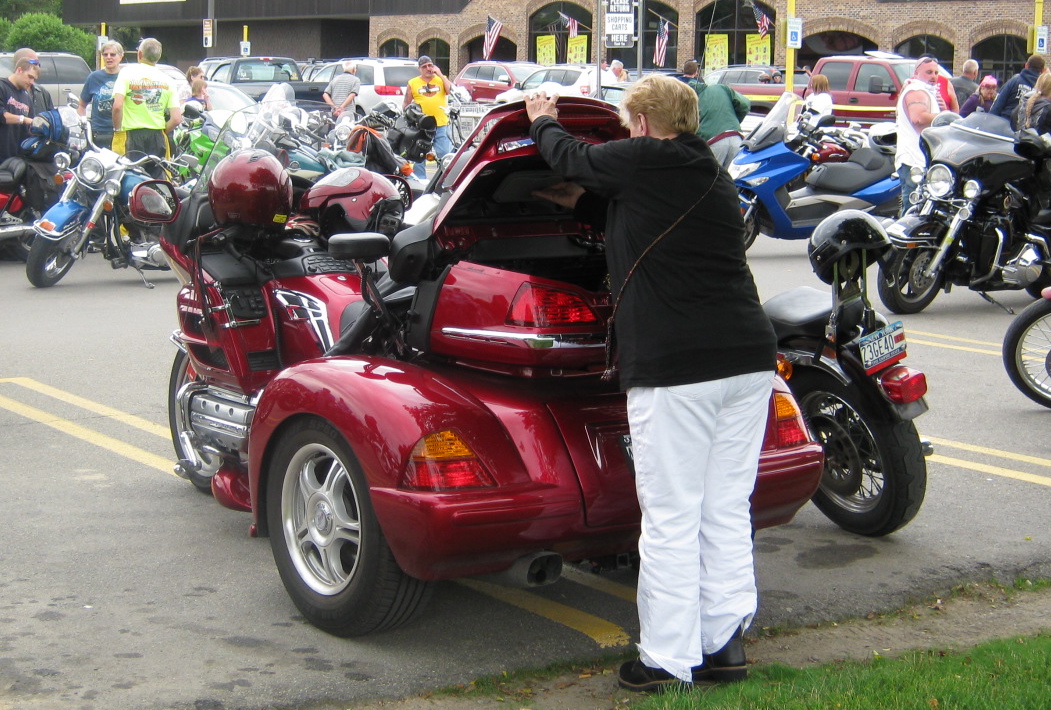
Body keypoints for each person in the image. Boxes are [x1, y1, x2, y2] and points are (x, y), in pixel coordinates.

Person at [524, 74, 777, 694]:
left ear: (639, 123)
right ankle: (725, 645)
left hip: (678, 368)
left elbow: (573, 157)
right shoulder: (703, 168)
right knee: (723, 507)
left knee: (669, 515)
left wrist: (540, 120)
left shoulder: (646, 155)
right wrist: (578, 203)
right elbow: (639, 215)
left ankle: (665, 660)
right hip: (747, 360)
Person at [111, 38, 181, 163]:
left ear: (140, 54)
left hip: (131, 135)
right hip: (157, 136)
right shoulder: (168, 80)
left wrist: (117, 130)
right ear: (158, 57)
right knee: (158, 179)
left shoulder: (126, 73)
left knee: (128, 177)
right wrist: (162, 132)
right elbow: (176, 119)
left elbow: (117, 106)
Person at [895, 56, 945, 214]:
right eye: (929, 72)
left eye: (936, 72)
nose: (934, 76)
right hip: (914, 162)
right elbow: (918, 118)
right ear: (916, 73)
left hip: (921, 161)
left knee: (922, 213)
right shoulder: (916, 90)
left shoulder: (925, 91)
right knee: (912, 215)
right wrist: (945, 117)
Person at [682, 59, 749, 169]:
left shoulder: (692, 99)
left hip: (714, 141)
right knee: (731, 180)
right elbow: (745, 104)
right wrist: (734, 120)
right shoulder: (721, 88)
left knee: (712, 179)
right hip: (736, 137)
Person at [404, 55, 452, 178]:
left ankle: (442, 178)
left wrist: (440, 74)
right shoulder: (413, 83)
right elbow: (407, 102)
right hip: (421, 124)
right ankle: (420, 180)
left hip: (440, 123)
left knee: (444, 153)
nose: (428, 68)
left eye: (430, 65)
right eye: (424, 67)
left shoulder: (441, 79)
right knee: (419, 154)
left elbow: (449, 90)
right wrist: (405, 118)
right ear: (420, 69)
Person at [78, 40, 123, 149]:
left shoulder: (126, 77)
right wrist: (83, 125)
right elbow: (81, 105)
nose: (109, 57)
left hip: (122, 132)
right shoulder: (94, 77)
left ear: (121, 56)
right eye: (105, 54)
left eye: (113, 54)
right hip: (99, 132)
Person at [990, 54, 1047, 128]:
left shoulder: (1014, 81)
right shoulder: (1042, 89)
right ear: (1042, 70)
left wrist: (990, 124)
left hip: (1004, 124)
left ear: (1026, 66)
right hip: (1026, 131)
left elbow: (998, 104)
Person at [0, 55, 38, 162]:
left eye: (34, 79)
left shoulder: (27, 97)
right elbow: (2, 116)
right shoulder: (2, 87)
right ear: (19, 70)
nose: (32, 82)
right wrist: (23, 119)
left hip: (16, 159)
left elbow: (30, 125)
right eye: (30, 77)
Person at [12, 48, 51, 116]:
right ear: (19, 64)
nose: (37, 66)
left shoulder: (42, 92)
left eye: (38, 63)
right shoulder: (5, 90)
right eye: (34, 62)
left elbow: (51, 118)